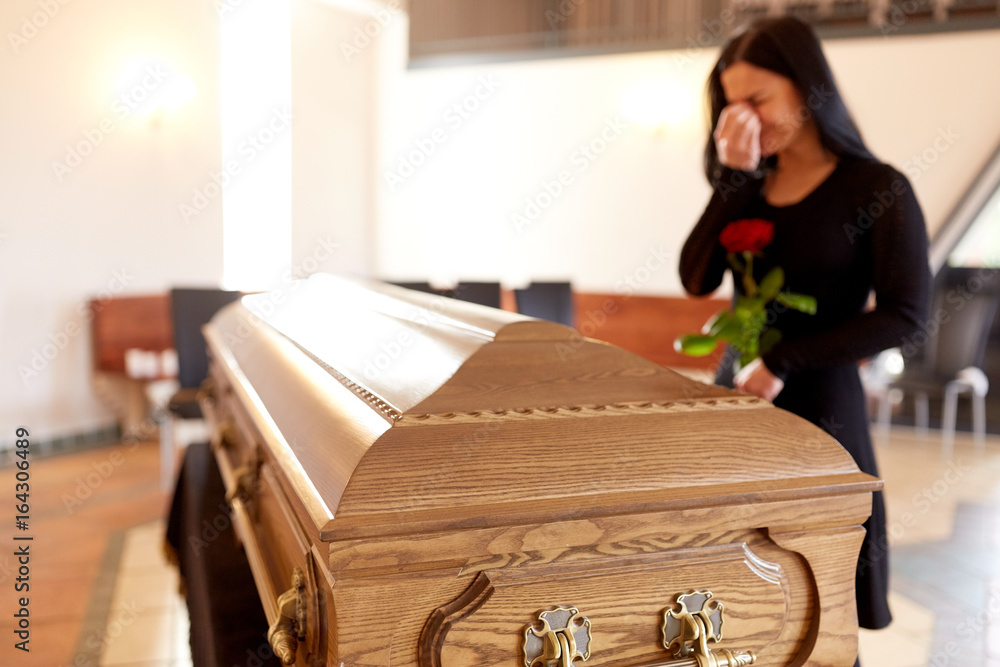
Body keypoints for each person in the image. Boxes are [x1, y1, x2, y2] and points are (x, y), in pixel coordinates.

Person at [678, 16, 931, 666]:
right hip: (738, 406)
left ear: (808, 88)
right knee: (738, 586)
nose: (747, 117)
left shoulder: (877, 189)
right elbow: (695, 277)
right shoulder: (749, 186)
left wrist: (784, 358)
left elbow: (906, 315)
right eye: (733, 105)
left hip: (824, 410)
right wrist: (732, 179)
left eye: (759, 99)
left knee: (823, 594)